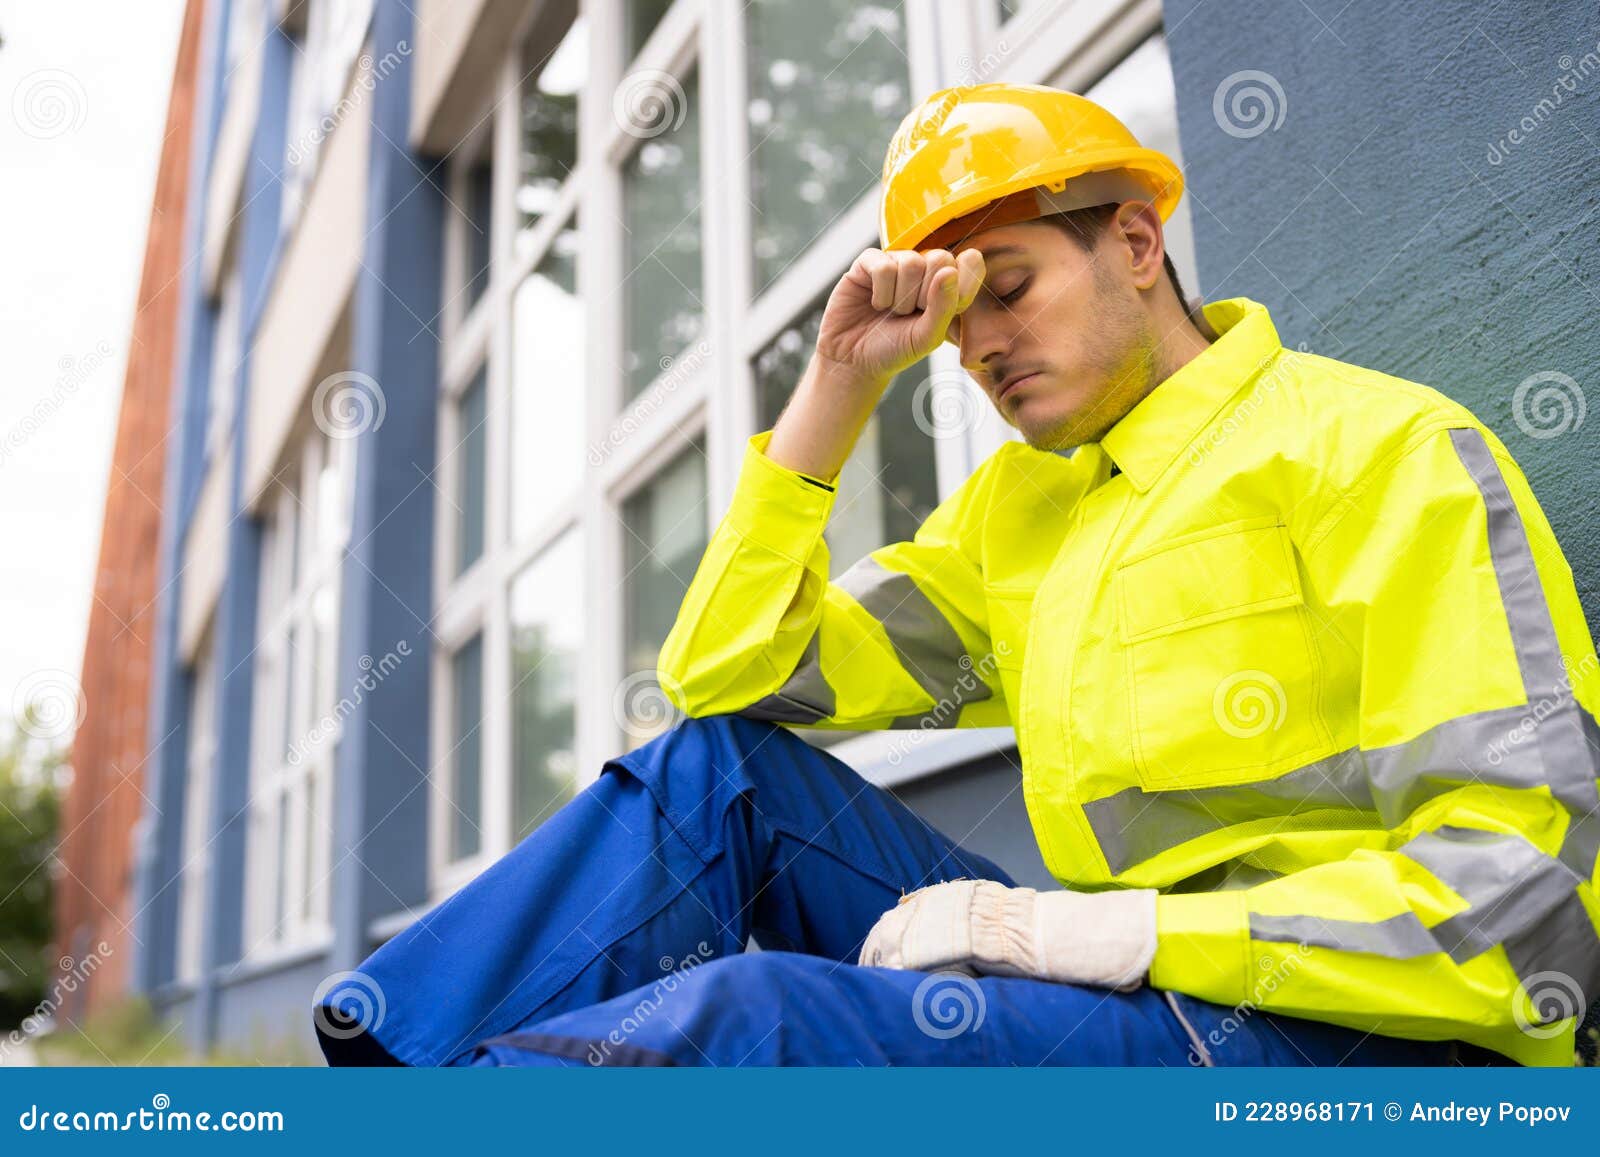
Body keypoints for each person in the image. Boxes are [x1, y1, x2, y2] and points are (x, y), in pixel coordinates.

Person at [315, 83, 1599, 1068]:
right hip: (1128, 994)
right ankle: (387, 1083)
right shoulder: (1021, 512)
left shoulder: (1374, 451)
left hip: (1342, 1043)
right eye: (958, 313)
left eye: (1012, 288)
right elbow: (730, 679)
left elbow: (1528, 910)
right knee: (713, 775)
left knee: (746, 1022)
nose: (979, 345)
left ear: (1138, 244)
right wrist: (837, 385)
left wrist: (1091, 934)